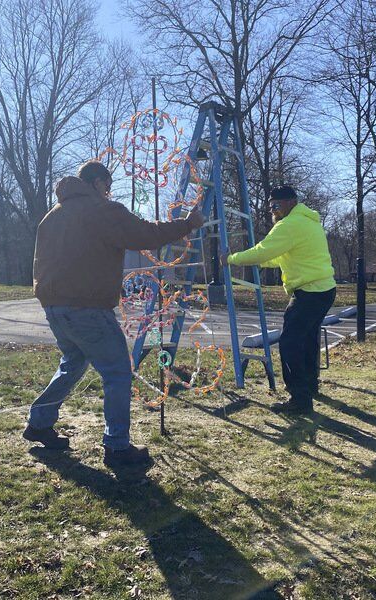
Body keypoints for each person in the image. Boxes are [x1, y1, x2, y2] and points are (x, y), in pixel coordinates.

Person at [24, 160, 204, 466]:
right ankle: (117, 447)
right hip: (87, 307)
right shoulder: (101, 210)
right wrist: (187, 224)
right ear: (96, 184)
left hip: (54, 306)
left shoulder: (51, 217)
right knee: (118, 371)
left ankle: (39, 423)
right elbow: (144, 234)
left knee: (73, 363)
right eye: (107, 186)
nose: (109, 193)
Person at [223, 185, 336, 415]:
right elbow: (279, 256)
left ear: (290, 202)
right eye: (270, 206)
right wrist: (259, 260)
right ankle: (310, 386)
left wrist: (232, 259)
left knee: (289, 343)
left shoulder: (289, 225)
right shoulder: (308, 220)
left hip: (310, 292)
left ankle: (300, 400)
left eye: (276, 205)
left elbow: (264, 251)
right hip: (324, 289)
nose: (272, 210)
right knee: (306, 340)